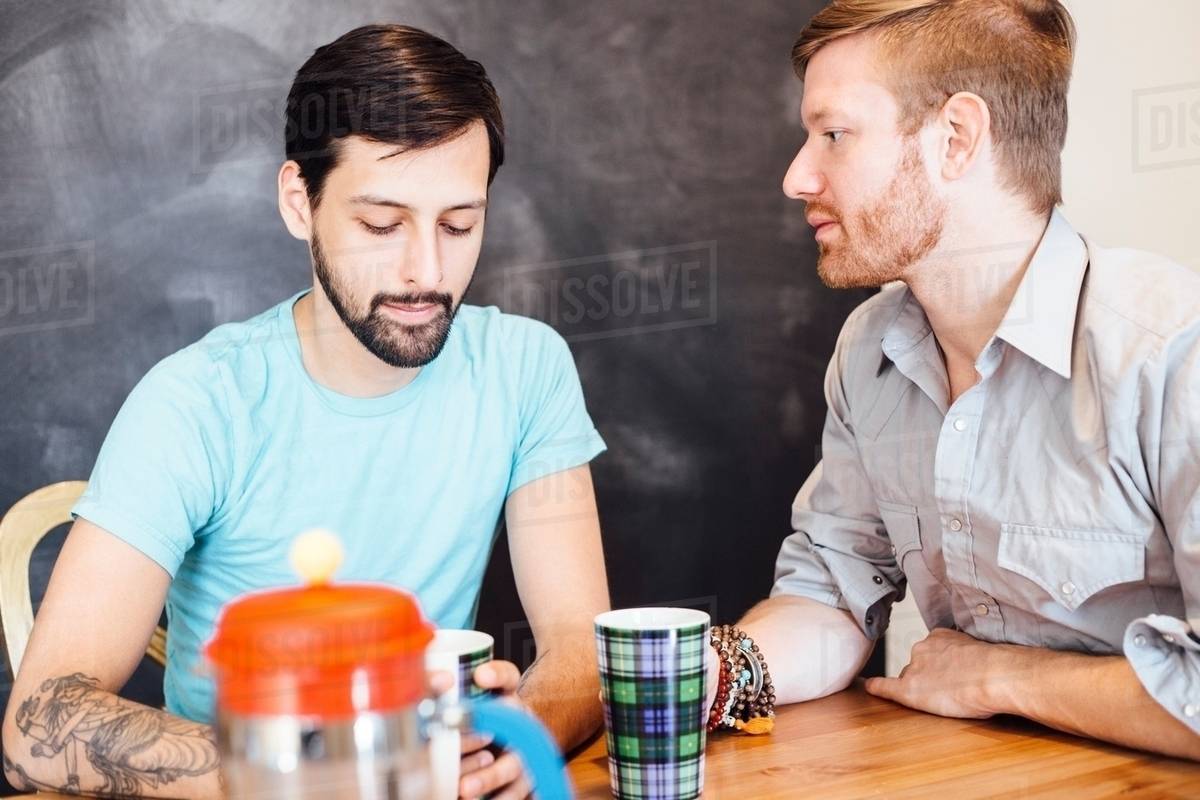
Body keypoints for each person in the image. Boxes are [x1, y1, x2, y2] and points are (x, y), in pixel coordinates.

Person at [3, 24, 610, 799]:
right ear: (300, 202)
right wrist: (314, 771)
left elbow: (582, 649)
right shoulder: (196, 403)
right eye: (382, 225)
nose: (427, 270)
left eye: (459, 224)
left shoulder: (527, 369)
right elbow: (38, 725)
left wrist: (522, 732)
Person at [711, 0, 1200, 759]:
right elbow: (833, 595)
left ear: (957, 138)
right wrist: (703, 677)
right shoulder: (869, 349)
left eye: (834, 134)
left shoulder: (1170, 351)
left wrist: (999, 677)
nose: (796, 177)